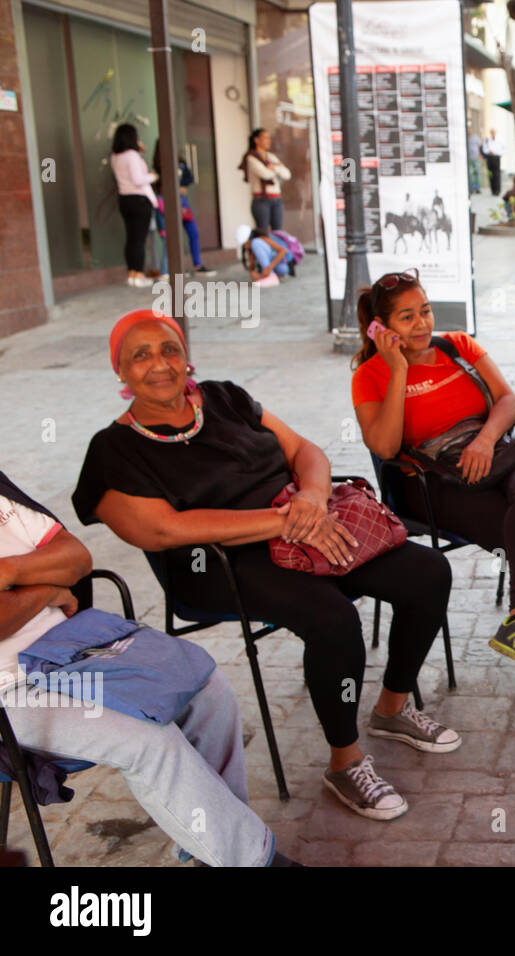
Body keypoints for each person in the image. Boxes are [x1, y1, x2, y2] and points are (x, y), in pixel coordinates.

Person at [72, 309, 459, 822]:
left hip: (304, 528)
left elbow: (302, 450)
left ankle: (392, 706)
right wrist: (283, 522)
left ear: (186, 357)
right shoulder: (114, 449)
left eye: (169, 349)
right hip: (216, 564)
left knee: (427, 573)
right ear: (119, 370)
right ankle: (345, 762)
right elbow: (161, 530)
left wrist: (313, 498)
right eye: (140, 355)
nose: (159, 364)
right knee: (332, 618)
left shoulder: (225, 398)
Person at [0, 471, 300, 867]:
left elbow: (76, 558)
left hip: (73, 647)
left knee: (207, 688)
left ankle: (213, 850)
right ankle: (253, 861)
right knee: (149, 740)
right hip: (11, 692)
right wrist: (49, 590)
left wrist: (9, 573)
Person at [351, 270, 515, 720]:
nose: (422, 323)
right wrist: (398, 370)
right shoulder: (370, 375)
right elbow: (386, 447)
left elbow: (508, 400)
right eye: (407, 317)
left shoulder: (459, 347)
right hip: (431, 485)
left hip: (490, 458)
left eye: (425, 311)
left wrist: (485, 440)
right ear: (381, 327)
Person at [150, 142, 214, 276]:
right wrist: (175, 187)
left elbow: (189, 178)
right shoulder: (158, 166)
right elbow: (161, 186)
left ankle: (197, 265)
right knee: (170, 237)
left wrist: (178, 187)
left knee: (193, 232)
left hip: (182, 201)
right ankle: (167, 271)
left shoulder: (180, 162)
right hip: (166, 202)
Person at [110, 123, 158, 288]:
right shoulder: (132, 155)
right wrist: (153, 176)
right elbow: (138, 179)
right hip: (139, 200)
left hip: (125, 199)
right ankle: (139, 274)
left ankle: (132, 274)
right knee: (139, 239)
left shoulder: (115, 157)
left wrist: (138, 153)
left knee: (131, 238)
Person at [238, 128, 291, 233]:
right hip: (261, 200)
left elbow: (287, 174)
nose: (268, 140)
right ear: (256, 140)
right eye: (265, 138)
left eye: (269, 138)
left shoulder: (271, 157)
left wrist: (273, 168)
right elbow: (265, 174)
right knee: (263, 233)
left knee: (278, 233)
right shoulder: (251, 158)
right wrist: (277, 168)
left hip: (277, 199)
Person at [482, 129, 504, 196]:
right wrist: (489, 152)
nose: (493, 133)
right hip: (490, 157)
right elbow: (484, 149)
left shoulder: (499, 139)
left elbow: (503, 148)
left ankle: (497, 190)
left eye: (494, 132)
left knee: (497, 174)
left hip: (496, 157)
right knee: (491, 174)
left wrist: (500, 154)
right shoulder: (487, 140)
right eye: (492, 132)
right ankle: (493, 190)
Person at [467, 126, 483, 193]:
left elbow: (480, 146)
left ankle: (478, 188)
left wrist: (481, 154)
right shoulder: (465, 137)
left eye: (469, 129)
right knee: (471, 173)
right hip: (469, 158)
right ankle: (472, 188)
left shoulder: (475, 137)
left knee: (477, 173)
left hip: (476, 157)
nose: (468, 131)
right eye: (467, 130)